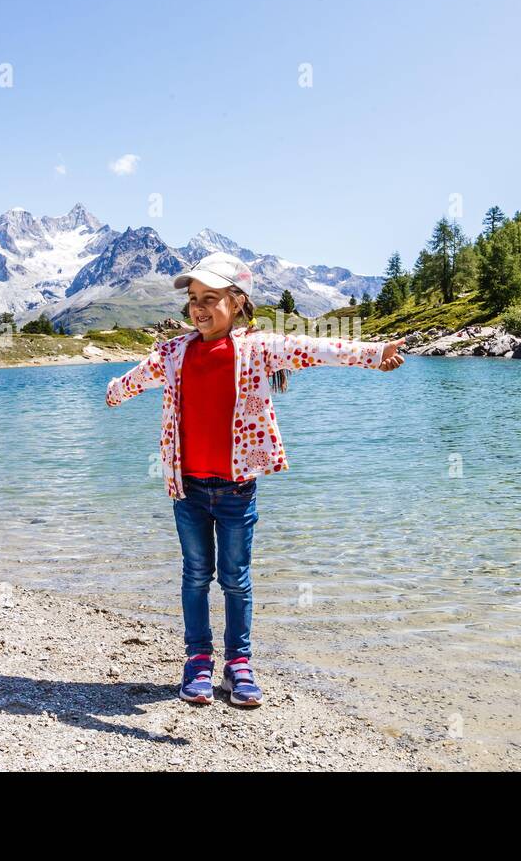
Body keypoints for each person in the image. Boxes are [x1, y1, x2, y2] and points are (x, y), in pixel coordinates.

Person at [104, 251, 405, 706]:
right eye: (193, 300)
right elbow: (135, 378)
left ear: (237, 300)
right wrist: (112, 392)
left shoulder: (260, 348)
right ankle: (197, 661)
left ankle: (238, 665)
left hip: (236, 489)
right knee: (195, 575)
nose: (199, 308)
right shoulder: (173, 352)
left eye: (210, 298)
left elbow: (318, 348)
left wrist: (374, 354)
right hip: (187, 489)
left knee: (236, 579)